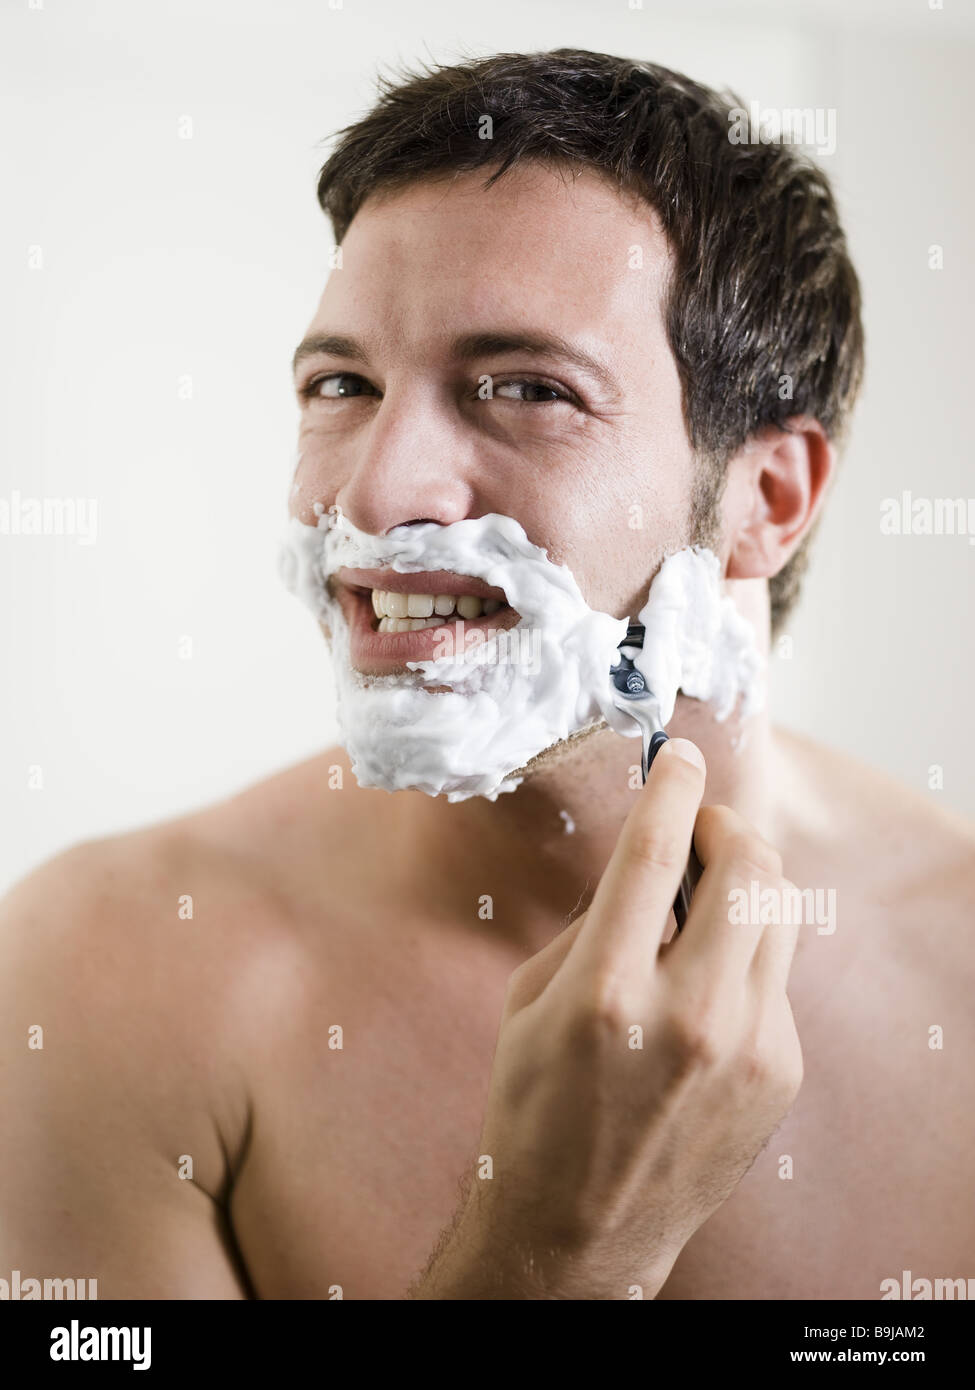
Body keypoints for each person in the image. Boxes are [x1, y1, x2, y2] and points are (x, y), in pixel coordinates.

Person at [2, 49, 973, 1301]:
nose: (374, 494)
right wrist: (549, 1251)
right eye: (341, 385)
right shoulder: (102, 980)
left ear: (766, 499)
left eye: (526, 387)